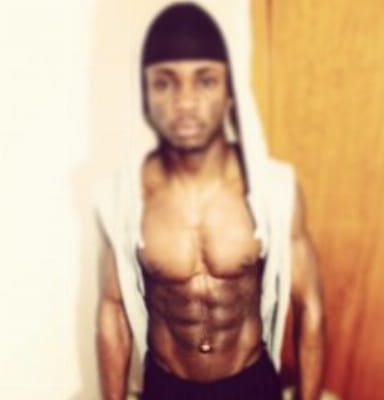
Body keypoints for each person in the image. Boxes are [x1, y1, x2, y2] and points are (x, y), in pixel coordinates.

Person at [95, 3, 324, 400]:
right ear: (145, 96)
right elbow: (112, 311)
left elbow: (311, 309)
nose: (185, 102)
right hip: (167, 386)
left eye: (205, 81)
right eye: (164, 83)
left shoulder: (273, 191)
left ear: (230, 92)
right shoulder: (122, 198)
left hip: (250, 384)